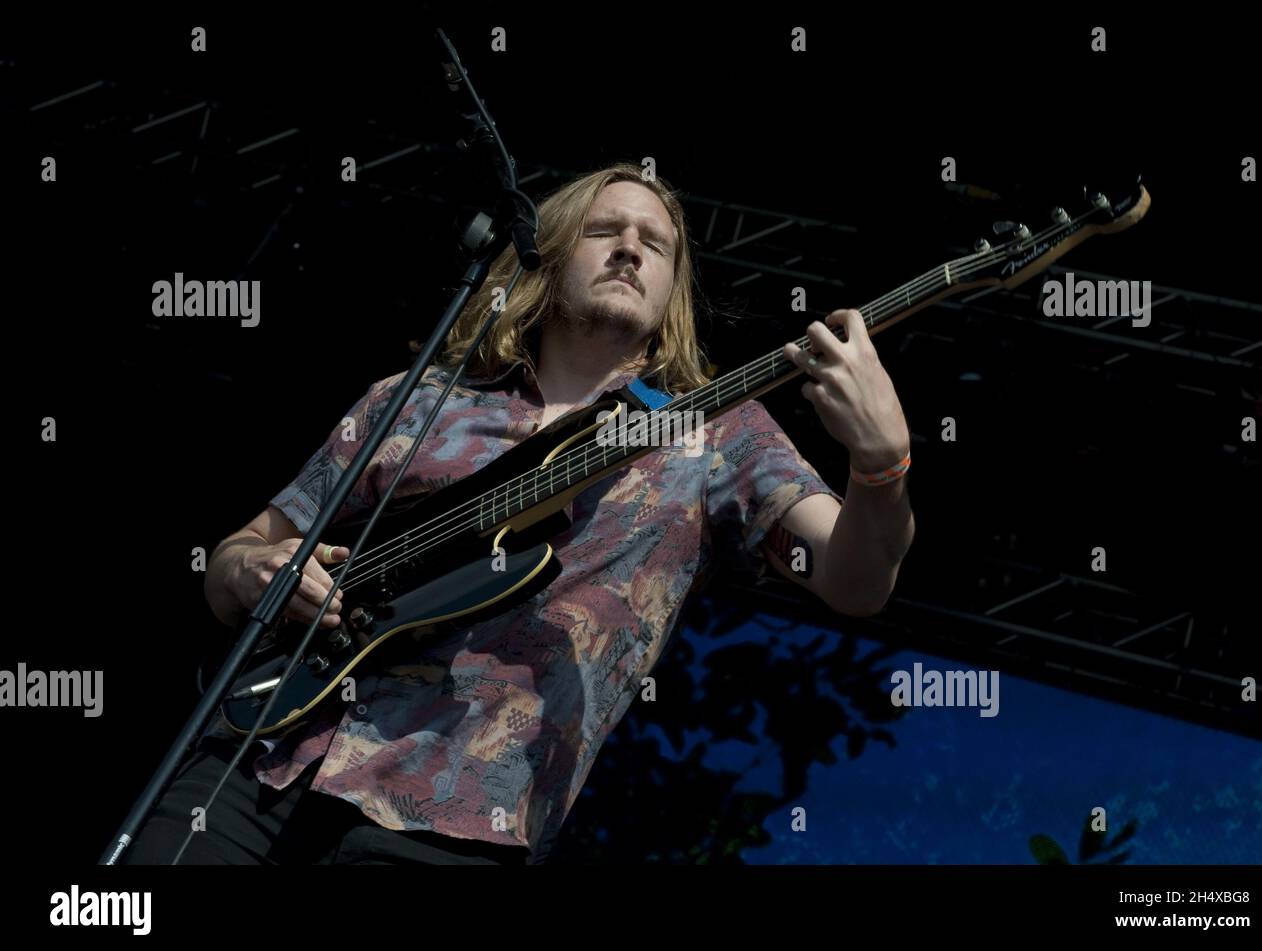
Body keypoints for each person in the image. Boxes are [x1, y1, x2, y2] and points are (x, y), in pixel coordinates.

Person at [122, 162, 915, 865]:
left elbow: (852, 578)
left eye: (656, 243)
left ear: (674, 287)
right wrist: (254, 569)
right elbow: (237, 558)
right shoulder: (414, 402)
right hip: (259, 758)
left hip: (458, 817)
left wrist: (882, 465)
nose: (630, 249)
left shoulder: (716, 432)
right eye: (605, 229)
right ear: (549, 253)